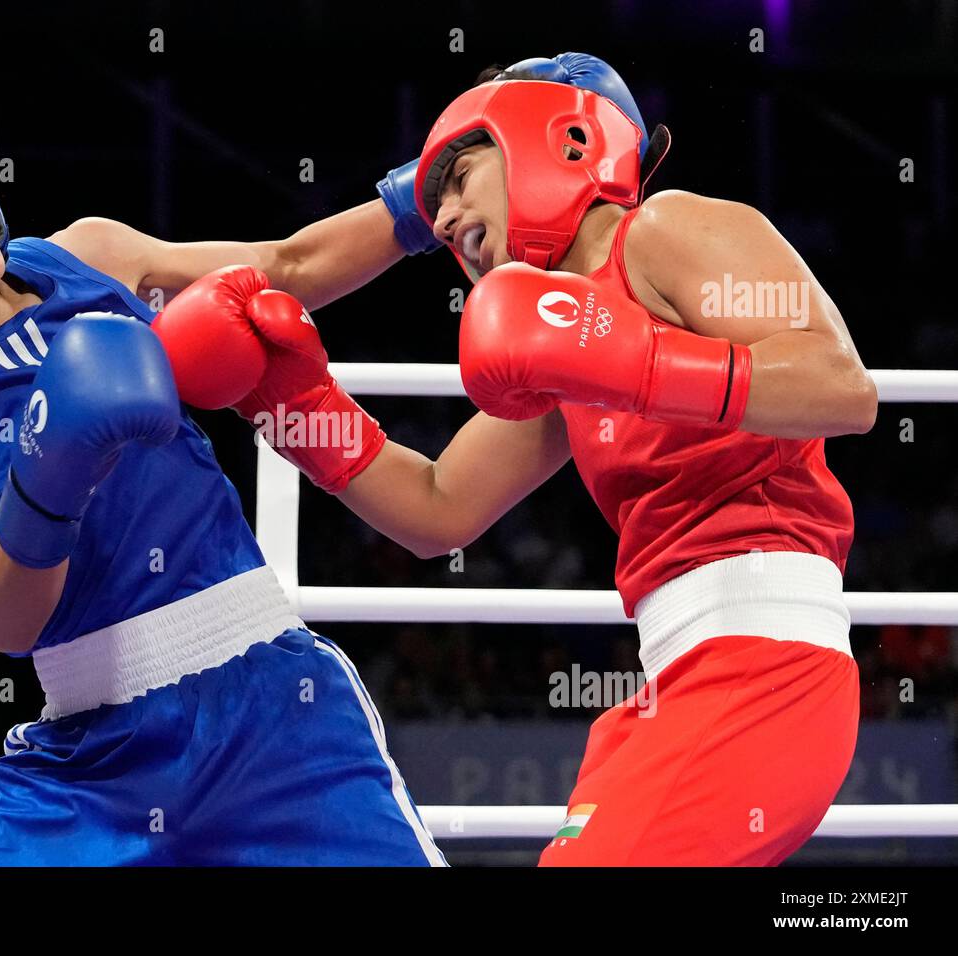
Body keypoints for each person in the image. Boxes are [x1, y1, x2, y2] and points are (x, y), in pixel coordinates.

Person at [0, 54, 446, 865]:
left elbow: (290, 267)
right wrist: (54, 466)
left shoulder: (88, 258)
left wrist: (436, 189)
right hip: (91, 759)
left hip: (278, 709)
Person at [163, 52, 875, 865]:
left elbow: (840, 388)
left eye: (461, 176)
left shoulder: (668, 228)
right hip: (675, 681)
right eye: (434, 204)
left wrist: (642, 365)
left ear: (561, 139)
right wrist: (287, 402)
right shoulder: (563, 343)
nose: (441, 219)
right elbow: (439, 508)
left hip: (765, 670)